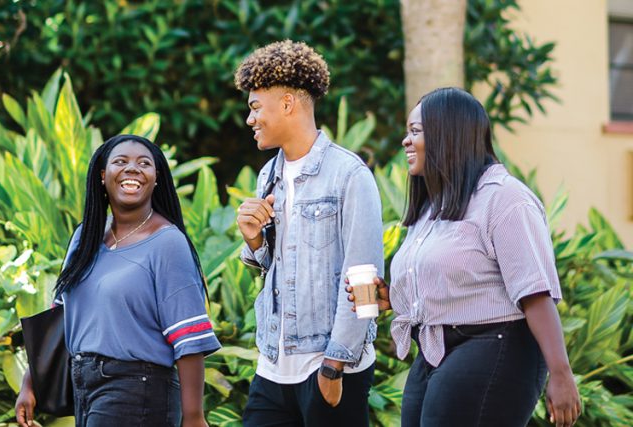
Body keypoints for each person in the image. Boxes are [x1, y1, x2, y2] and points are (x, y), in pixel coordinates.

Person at [348, 87, 581, 427]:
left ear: (449, 134)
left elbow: (536, 293)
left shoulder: (505, 199)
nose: (405, 141)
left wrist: (561, 374)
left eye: (416, 131)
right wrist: (393, 298)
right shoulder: (434, 206)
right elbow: (454, 281)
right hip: (435, 350)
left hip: (495, 345)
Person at [14, 134, 221, 427]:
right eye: (120, 162)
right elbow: (60, 317)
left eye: (144, 163)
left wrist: (193, 417)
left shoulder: (168, 243)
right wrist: (30, 384)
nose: (133, 169)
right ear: (102, 175)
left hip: (139, 389)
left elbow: (189, 338)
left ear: (156, 177)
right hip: (84, 388)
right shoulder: (84, 237)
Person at [234, 40, 384, 427]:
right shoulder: (269, 174)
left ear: (287, 104)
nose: (250, 119)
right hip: (273, 367)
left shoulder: (350, 176)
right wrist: (253, 240)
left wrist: (335, 366)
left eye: (255, 107)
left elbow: (365, 280)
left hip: (330, 366)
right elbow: (273, 267)